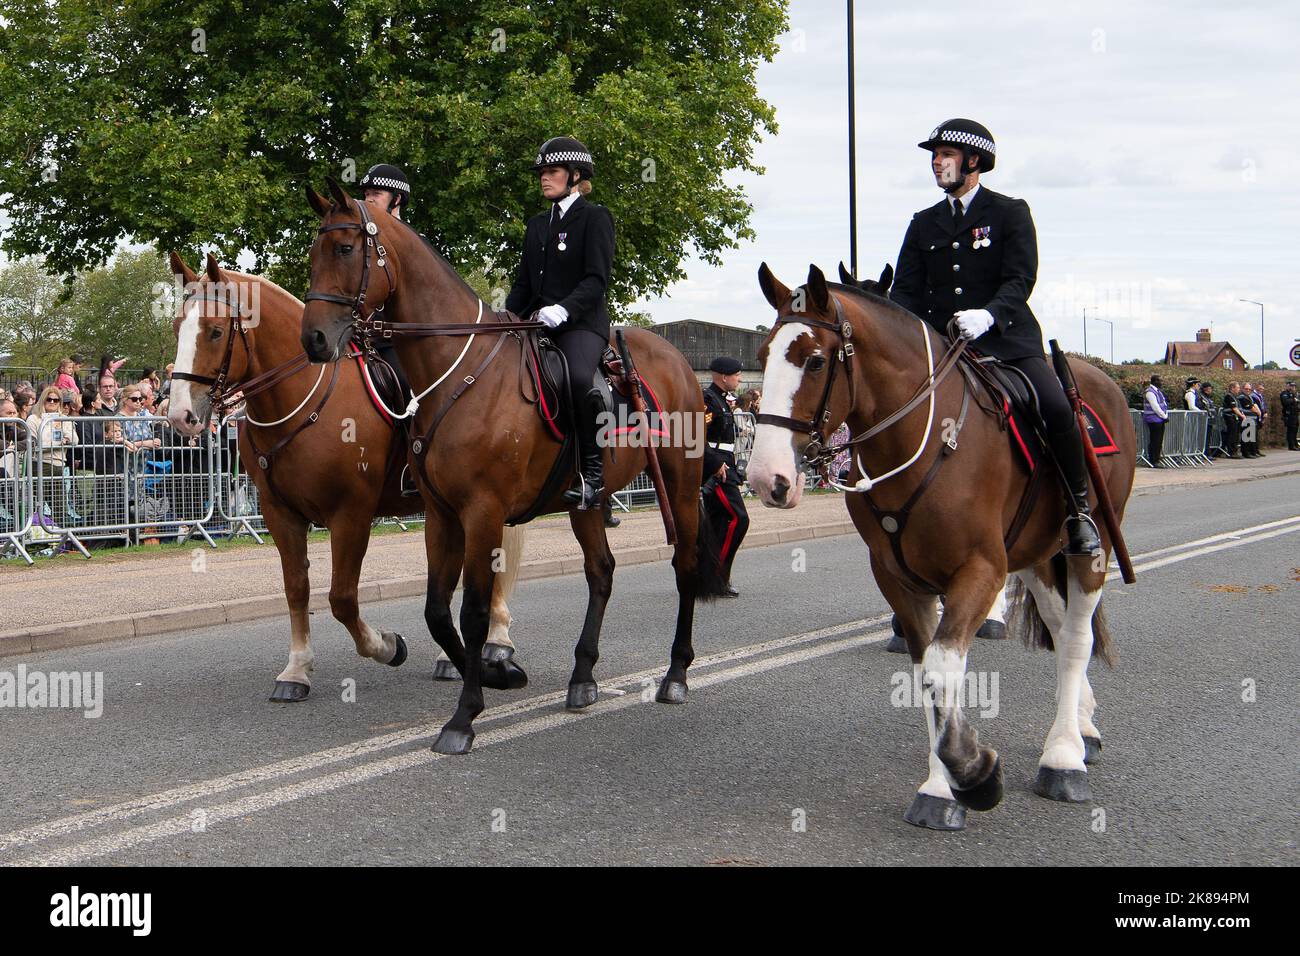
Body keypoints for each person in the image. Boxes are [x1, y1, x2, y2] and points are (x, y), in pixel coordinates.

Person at [890, 118, 1100, 554]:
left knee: (1055, 407)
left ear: (973, 161)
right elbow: (905, 293)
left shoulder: (1009, 212)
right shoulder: (923, 223)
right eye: (935, 156)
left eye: (945, 155)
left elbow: (1021, 278)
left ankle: (1078, 510)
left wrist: (988, 315)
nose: (936, 163)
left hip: (1004, 339)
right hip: (943, 346)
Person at [505, 136, 616, 510]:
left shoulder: (595, 217)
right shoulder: (537, 225)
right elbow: (523, 283)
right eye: (542, 172)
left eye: (551, 171)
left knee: (580, 380)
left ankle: (592, 476)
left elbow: (595, 280)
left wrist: (562, 309)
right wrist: (507, 317)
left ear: (575, 175)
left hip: (580, 324)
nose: (543, 178)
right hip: (536, 323)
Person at [359, 162, 420, 494]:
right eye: (366, 193)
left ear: (396, 198)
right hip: (359, 340)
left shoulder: (413, 242)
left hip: (397, 344)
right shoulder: (360, 241)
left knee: (405, 386)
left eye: (375, 194)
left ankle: (412, 465)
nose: (368, 200)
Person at [701, 356, 749, 597]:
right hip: (716, 468)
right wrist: (715, 463)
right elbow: (696, 436)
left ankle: (710, 576)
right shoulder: (707, 400)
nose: (739, 379)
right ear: (723, 377)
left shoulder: (720, 400)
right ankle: (716, 577)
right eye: (737, 375)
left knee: (716, 523)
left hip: (725, 464)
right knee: (738, 518)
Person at [1142, 374, 1170, 467]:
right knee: (1155, 440)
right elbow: (1155, 407)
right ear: (1154, 381)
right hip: (1153, 419)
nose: (1161, 382)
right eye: (1159, 381)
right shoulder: (1150, 392)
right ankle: (1154, 460)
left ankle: (1157, 458)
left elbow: (1163, 404)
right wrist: (1164, 416)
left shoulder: (1157, 392)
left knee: (1159, 440)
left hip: (1159, 418)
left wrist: (1164, 416)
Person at [1222, 383, 1245, 458]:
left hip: (1235, 418)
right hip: (1230, 418)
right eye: (1237, 388)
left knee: (1235, 435)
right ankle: (1231, 452)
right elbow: (1234, 408)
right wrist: (1241, 415)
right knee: (1232, 435)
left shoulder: (1235, 397)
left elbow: (1238, 408)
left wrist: (1242, 414)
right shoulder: (1229, 396)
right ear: (1232, 388)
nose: (1239, 389)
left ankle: (1234, 451)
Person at [1238, 382, 1261, 458]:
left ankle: (1252, 452)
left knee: (1251, 437)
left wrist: (1258, 412)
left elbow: (1254, 404)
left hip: (1252, 419)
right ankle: (1246, 453)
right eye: (1246, 389)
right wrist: (1258, 412)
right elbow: (1251, 407)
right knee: (1246, 436)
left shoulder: (1249, 397)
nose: (1248, 390)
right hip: (1246, 419)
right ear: (1242, 389)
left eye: (1249, 389)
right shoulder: (1242, 397)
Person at [1280, 381, 1299, 451]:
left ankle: (1295, 445)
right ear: (1287, 386)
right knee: (1291, 430)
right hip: (1289, 415)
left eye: (1294, 386)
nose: (1292, 387)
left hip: (1295, 414)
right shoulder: (1284, 394)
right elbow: (1285, 402)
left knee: (1295, 430)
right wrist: (1293, 399)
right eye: (1290, 386)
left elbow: (1297, 404)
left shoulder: (1294, 394)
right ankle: (1291, 446)